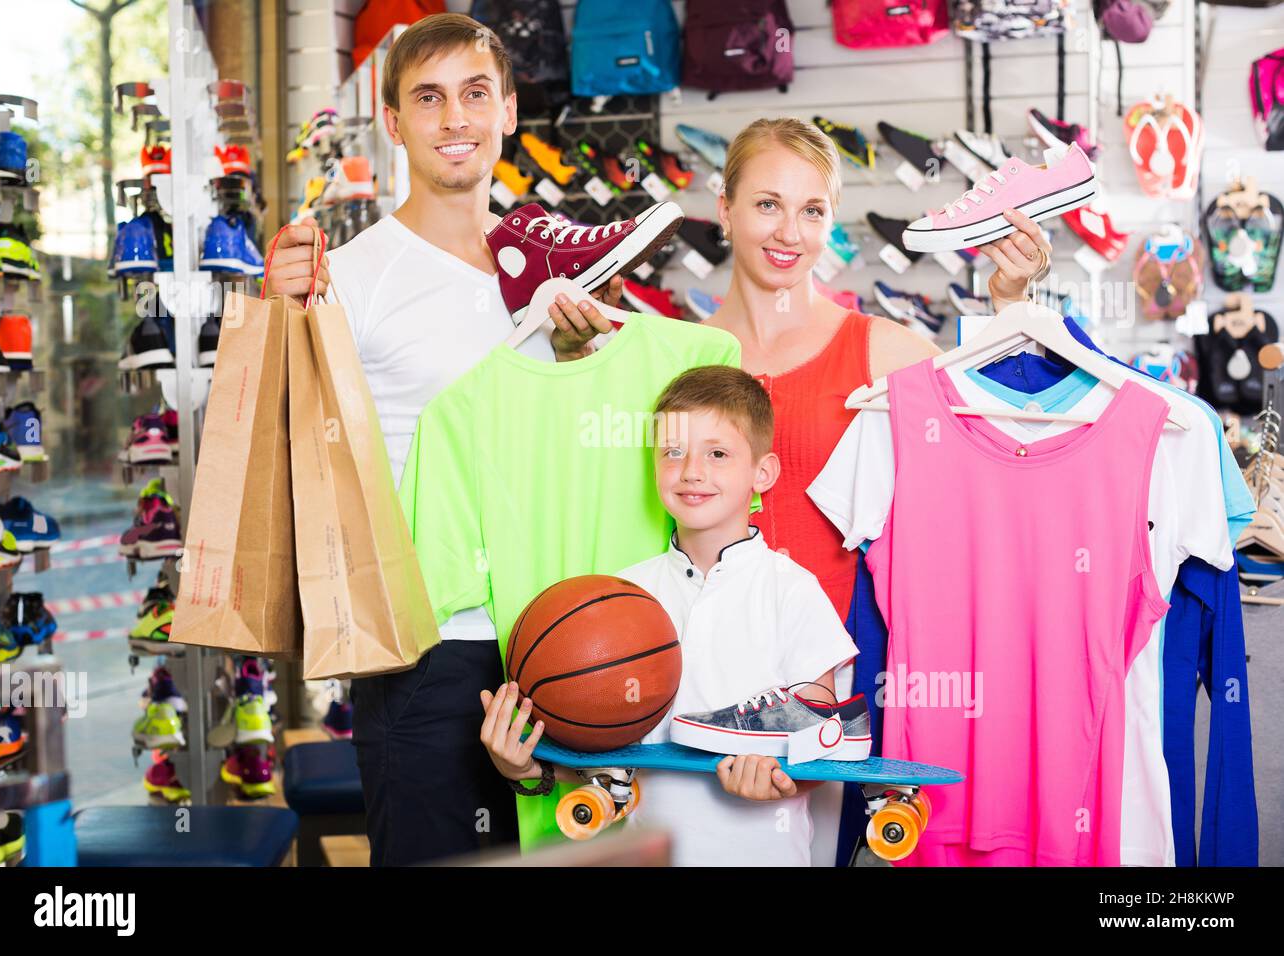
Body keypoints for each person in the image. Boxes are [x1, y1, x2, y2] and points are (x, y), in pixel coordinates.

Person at [263, 14, 617, 866]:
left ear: (508, 111)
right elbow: (295, 443)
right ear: (394, 123)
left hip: (560, 627)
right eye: (428, 98)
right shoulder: (348, 275)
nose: (455, 117)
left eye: (474, 94)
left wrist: (580, 365)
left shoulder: (557, 272)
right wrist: (278, 310)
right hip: (425, 643)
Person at [700, 118, 1054, 862]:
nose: (789, 230)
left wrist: (1009, 306)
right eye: (766, 204)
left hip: (835, 687)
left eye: (812, 209)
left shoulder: (883, 351)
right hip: (705, 682)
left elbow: (1008, 443)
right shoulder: (675, 358)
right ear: (722, 206)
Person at [479, 365, 858, 866]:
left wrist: (781, 778)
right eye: (672, 452)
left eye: (717, 454)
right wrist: (525, 768)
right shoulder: (619, 594)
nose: (691, 471)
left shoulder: (792, 591)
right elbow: (611, 767)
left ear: (762, 472)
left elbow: (825, 743)